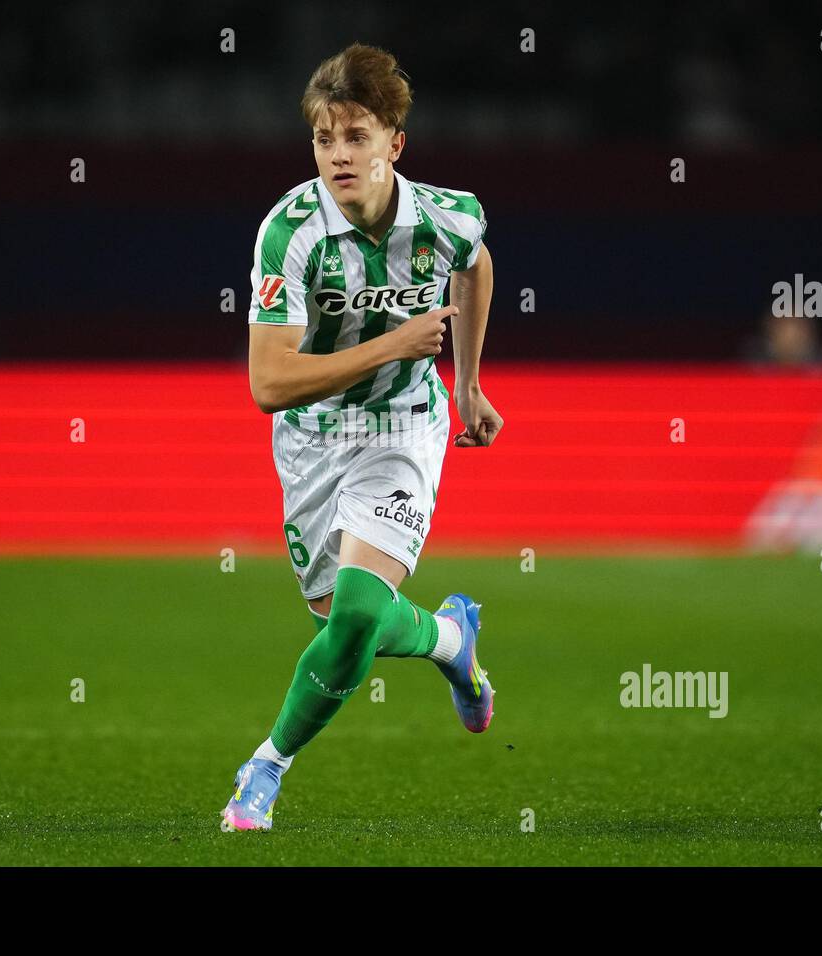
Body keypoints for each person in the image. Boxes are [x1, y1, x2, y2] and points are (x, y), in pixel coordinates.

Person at [221, 42, 504, 831]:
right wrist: (395, 341)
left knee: (350, 620)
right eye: (323, 139)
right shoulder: (289, 234)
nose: (338, 156)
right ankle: (452, 639)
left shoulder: (448, 214)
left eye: (355, 136)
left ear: (393, 144)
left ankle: (264, 769)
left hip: (404, 427)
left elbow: (474, 264)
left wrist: (469, 382)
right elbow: (268, 385)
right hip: (312, 437)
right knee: (346, 625)